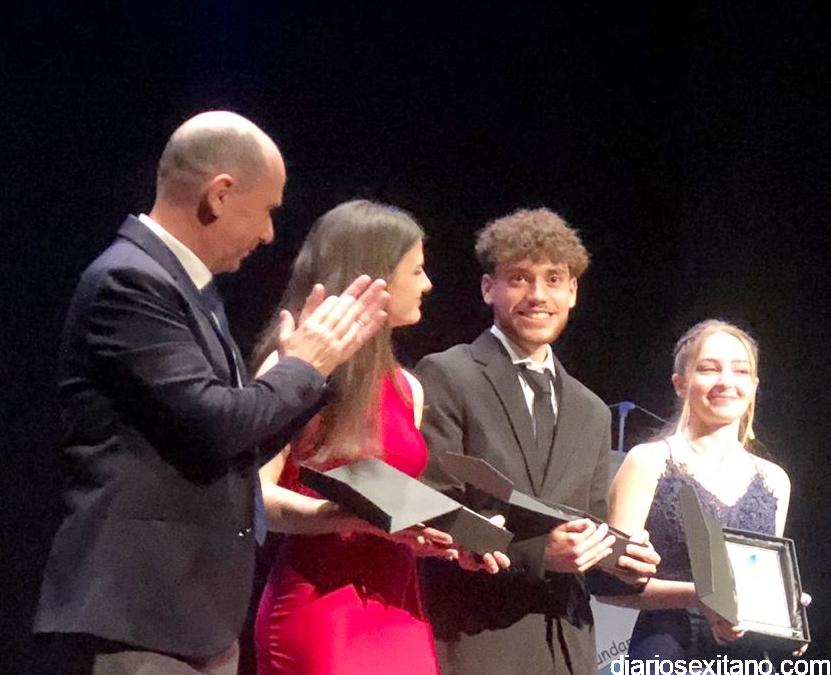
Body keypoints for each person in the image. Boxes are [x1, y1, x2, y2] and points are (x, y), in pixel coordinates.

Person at [33, 112, 388, 675]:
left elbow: (236, 444)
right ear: (220, 194)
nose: (269, 234)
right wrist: (303, 366)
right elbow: (218, 425)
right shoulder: (130, 281)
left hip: (194, 618)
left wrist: (319, 372)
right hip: (138, 612)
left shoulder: (189, 289)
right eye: (268, 209)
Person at [251, 199, 507, 675]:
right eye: (417, 270)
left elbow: (398, 515)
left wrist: (449, 542)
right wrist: (349, 518)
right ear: (374, 277)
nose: (428, 285)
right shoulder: (294, 368)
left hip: (399, 605)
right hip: (321, 608)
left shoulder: (408, 387)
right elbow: (254, 496)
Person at [416, 208, 659, 675]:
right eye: (519, 279)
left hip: (568, 649)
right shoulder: (448, 375)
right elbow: (434, 512)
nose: (538, 295)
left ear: (573, 292)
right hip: (476, 640)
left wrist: (620, 559)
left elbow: (588, 529)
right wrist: (537, 554)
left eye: (554, 279)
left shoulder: (590, 409)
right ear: (489, 288)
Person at [605, 319, 801, 661]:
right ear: (681, 384)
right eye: (709, 369)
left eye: (741, 371)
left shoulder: (774, 480)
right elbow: (611, 588)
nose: (726, 381)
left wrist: (787, 616)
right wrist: (700, 596)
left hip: (745, 657)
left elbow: (759, 582)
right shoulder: (648, 462)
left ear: (754, 386)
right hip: (665, 651)